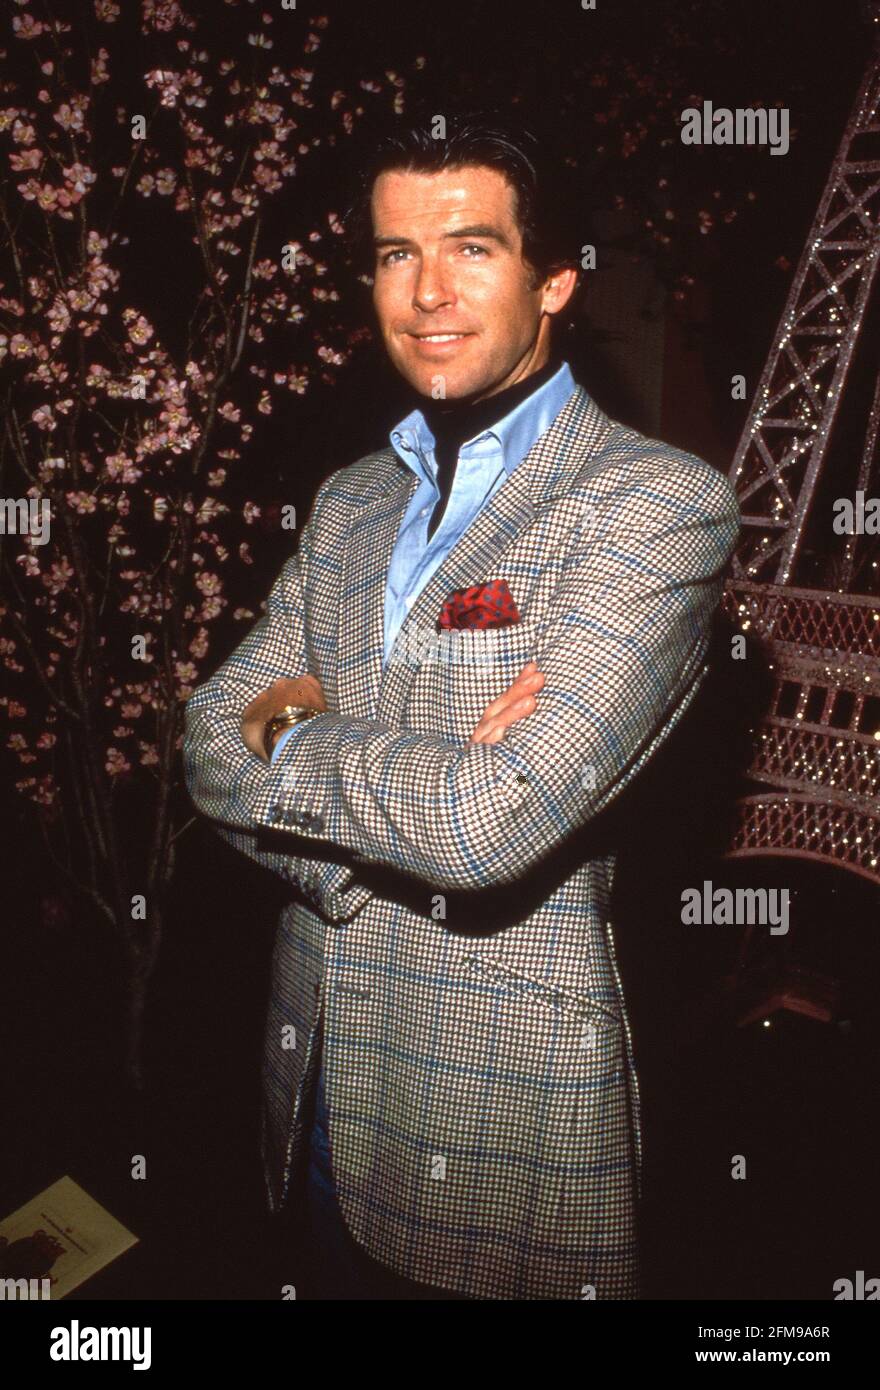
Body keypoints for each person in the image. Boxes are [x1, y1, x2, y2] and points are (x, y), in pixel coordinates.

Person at [182, 110, 740, 1300]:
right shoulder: (349, 501)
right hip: (310, 1080)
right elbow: (201, 741)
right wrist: (410, 781)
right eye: (395, 253)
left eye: (471, 247)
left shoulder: (652, 505)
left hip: (497, 1118)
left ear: (554, 285)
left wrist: (294, 728)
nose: (425, 290)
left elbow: (493, 824)